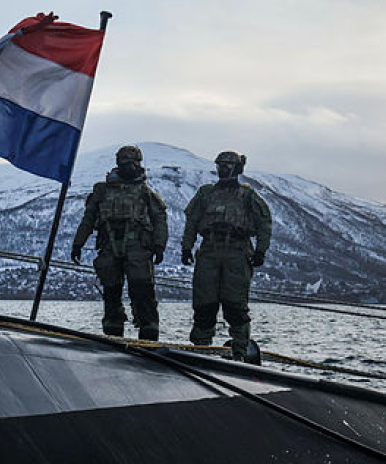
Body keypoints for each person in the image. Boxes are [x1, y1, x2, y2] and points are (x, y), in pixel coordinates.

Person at [181, 150, 272, 362]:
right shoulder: (206, 193)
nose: (223, 168)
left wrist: (260, 250)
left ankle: (239, 352)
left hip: (237, 252)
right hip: (209, 250)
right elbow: (192, 221)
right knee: (204, 304)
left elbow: (264, 223)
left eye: (228, 165)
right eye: (220, 164)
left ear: (237, 168)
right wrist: (186, 247)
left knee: (235, 305)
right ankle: (201, 350)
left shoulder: (248, 195)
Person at [71, 145, 168, 340]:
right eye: (124, 163)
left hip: (138, 247)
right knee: (111, 290)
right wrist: (78, 243)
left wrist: (159, 245)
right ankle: (113, 329)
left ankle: (148, 332)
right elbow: (88, 219)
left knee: (142, 290)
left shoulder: (145, 193)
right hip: (110, 245)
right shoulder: (102, 190)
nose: (128, 167)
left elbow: (159, 219)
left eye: (132, 163)